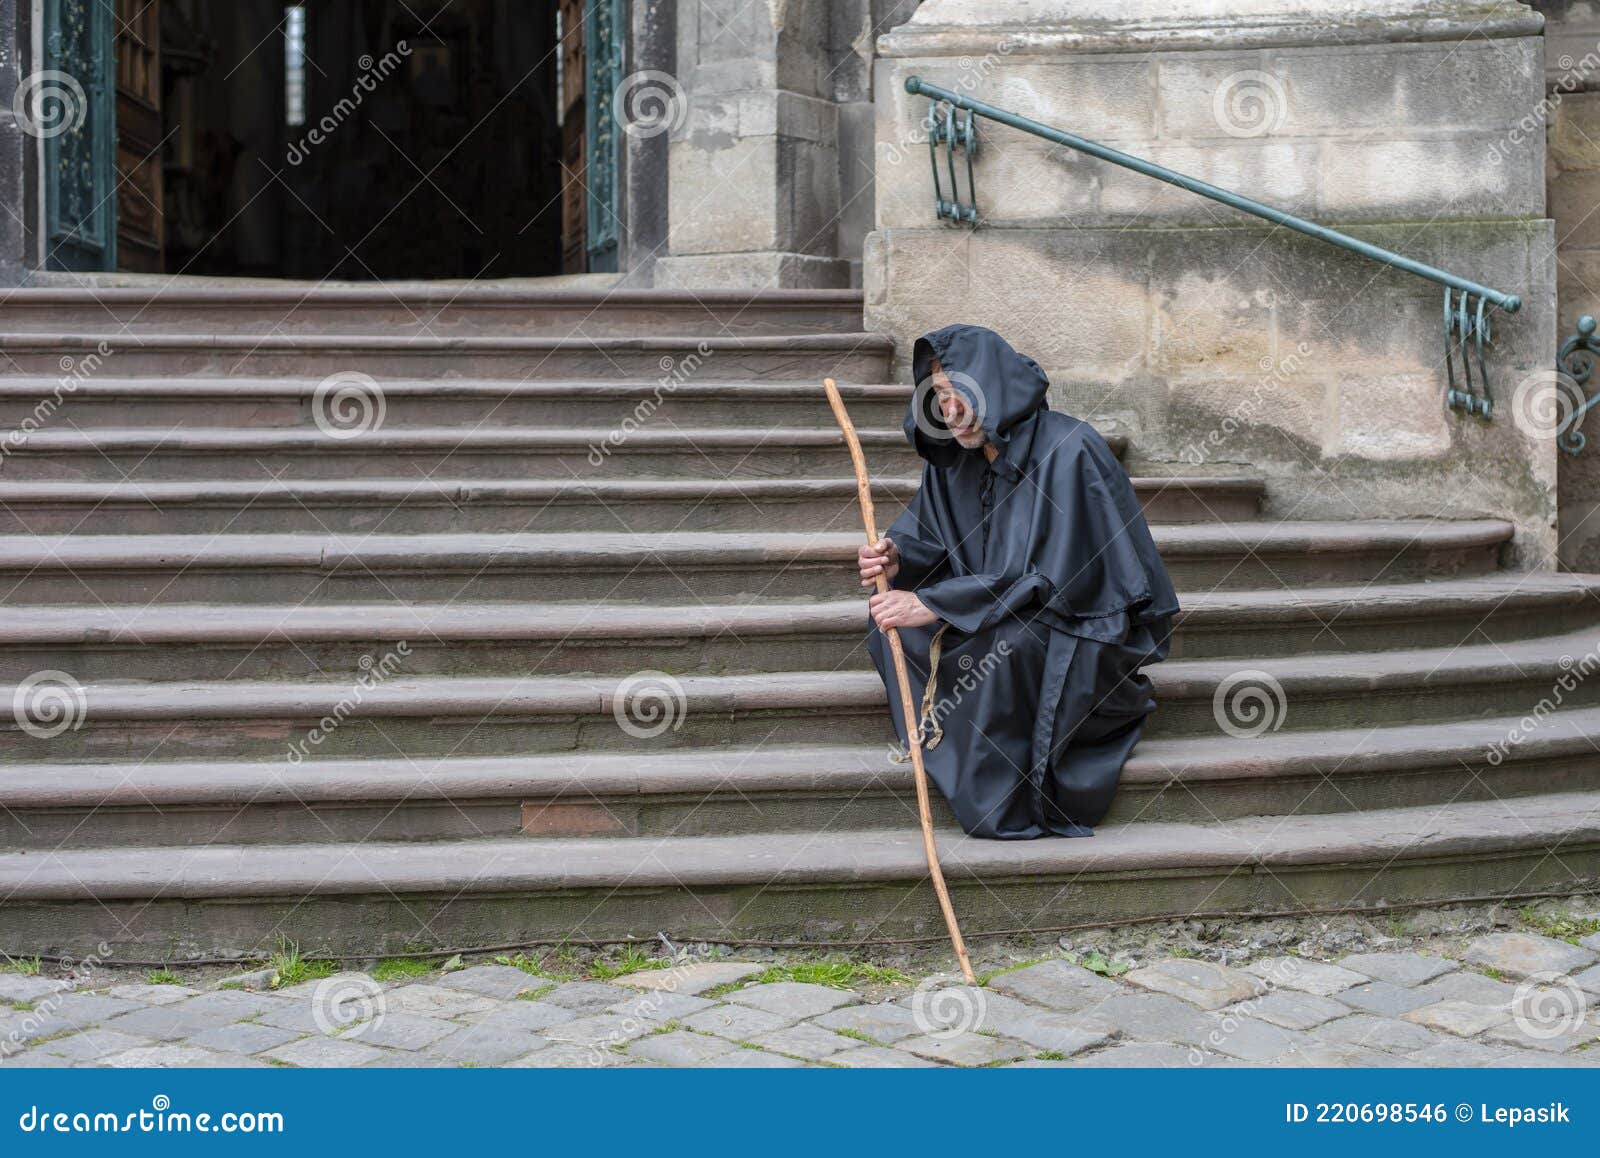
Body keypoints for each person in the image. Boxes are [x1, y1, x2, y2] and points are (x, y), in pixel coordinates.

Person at [859, 324, 1179, 839]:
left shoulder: (1070, 449)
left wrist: (938, 604)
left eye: (963, 391)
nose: (951, 409)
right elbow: (933, 538)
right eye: (940, 395)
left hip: (1079, 625)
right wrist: (897, 559)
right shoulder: (953, 461)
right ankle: (946, 744)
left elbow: (1054, 580)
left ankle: (1003, 798)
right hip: (992, 608)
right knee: (889, 624)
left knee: (1004, 649)